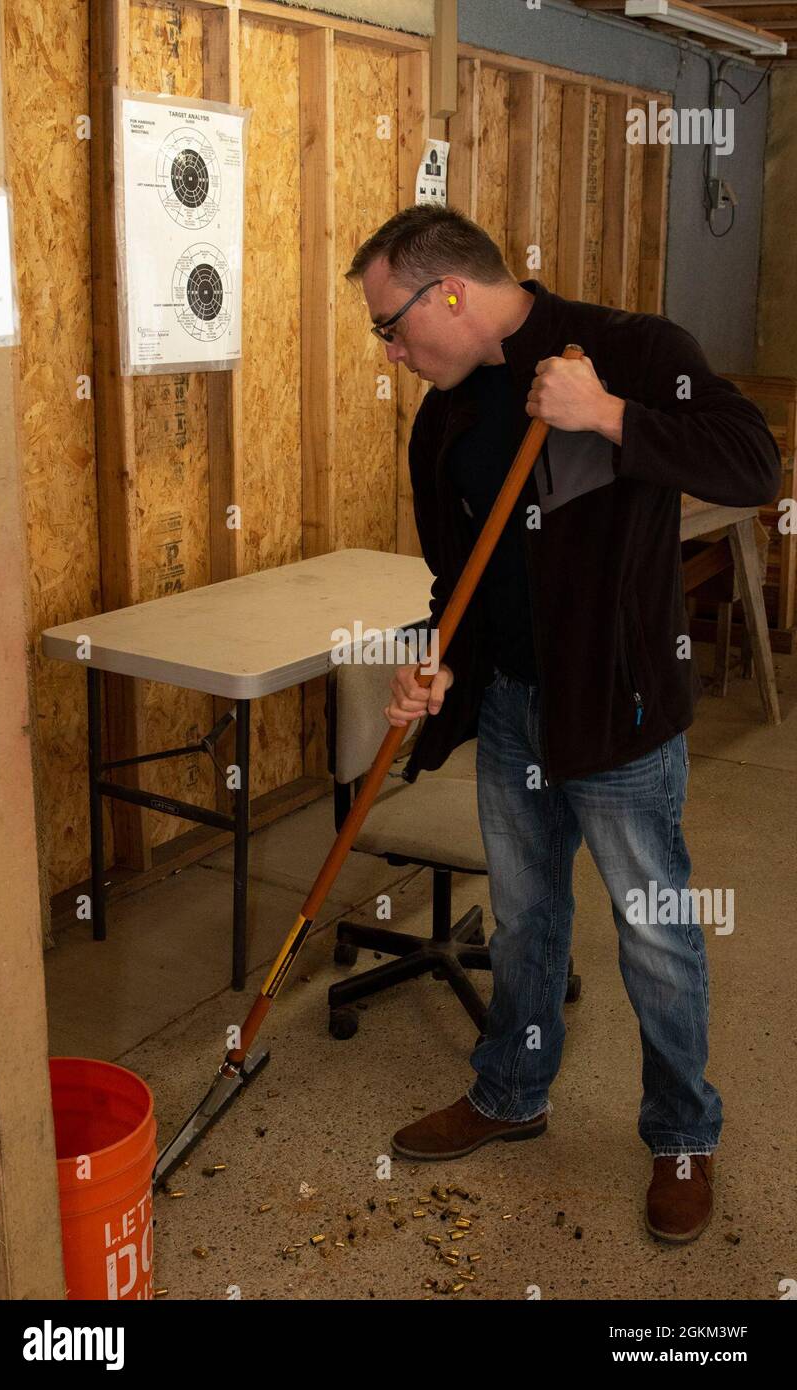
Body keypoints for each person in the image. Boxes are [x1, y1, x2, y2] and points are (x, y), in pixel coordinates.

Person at [344, 204, 782, 1243]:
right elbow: (458, 579)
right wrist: (432, 663)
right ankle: (509, 1092)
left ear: (446, 290)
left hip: (619, 713)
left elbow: (753, 469)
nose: (393, 351)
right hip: (511, 711)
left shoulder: (626, 351)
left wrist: (611, 415)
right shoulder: (441, 419)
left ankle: (681, 1132)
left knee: (652, 933)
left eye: (390, 325)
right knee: (525, 919)